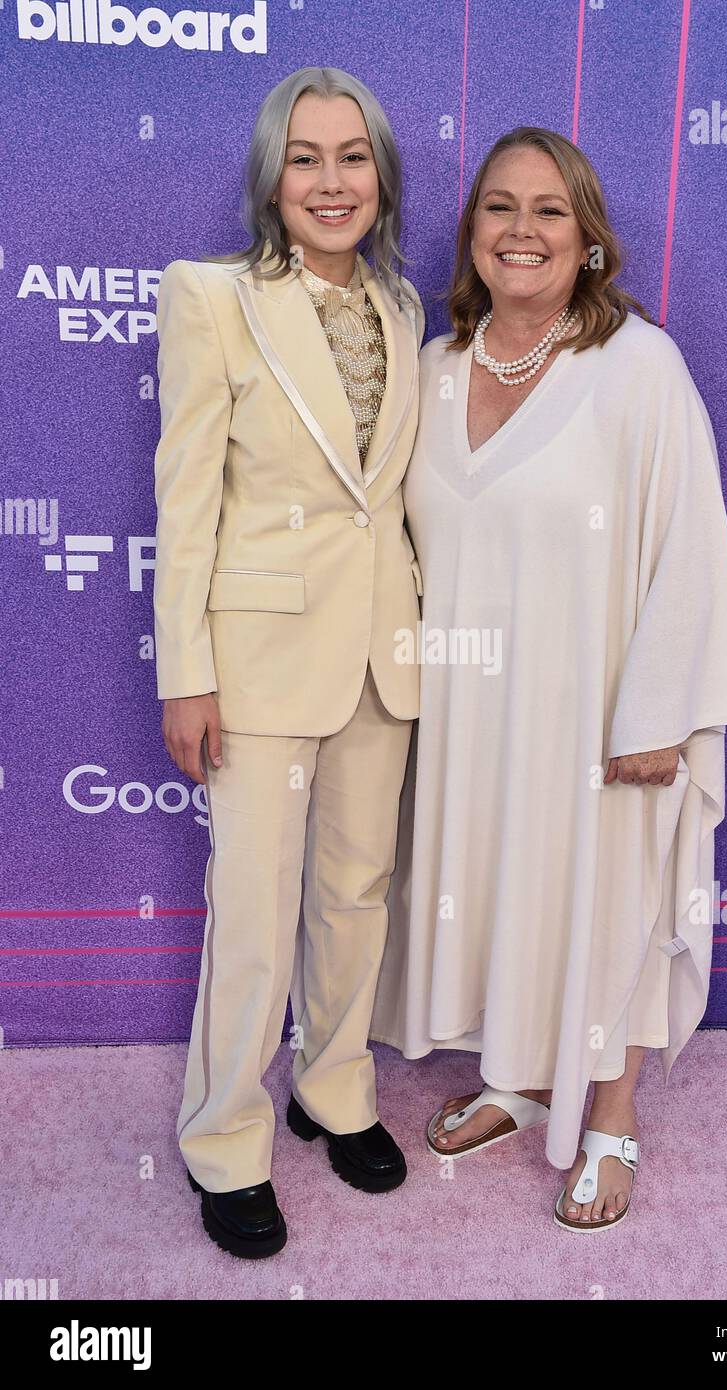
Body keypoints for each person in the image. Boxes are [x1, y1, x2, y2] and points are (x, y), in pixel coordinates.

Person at [371, 126, 727, 1232]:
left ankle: (613, 1113)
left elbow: (689, 550)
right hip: (469, 712)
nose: (521, 230)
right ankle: (525, 1077)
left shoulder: (638, 366)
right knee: (499, 888)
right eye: (499, 206)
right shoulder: (435, 369)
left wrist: (659, 714)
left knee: (610, 892)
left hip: (599, 713)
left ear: (587, 239)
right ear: (472, 230)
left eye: (548, 210)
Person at [153, 67, 425, 1258]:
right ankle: (225, 1141)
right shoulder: (212, 296)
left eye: (352, 156)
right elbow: (185, 499)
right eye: (305, 157)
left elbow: (394, 503)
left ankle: (335, 1090)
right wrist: (184, 672)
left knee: (354, 895)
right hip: (257, 658)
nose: (330, 180)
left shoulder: (410, 310)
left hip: (382, 654)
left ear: (381, 176)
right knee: (255, 915)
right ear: (272, 175)